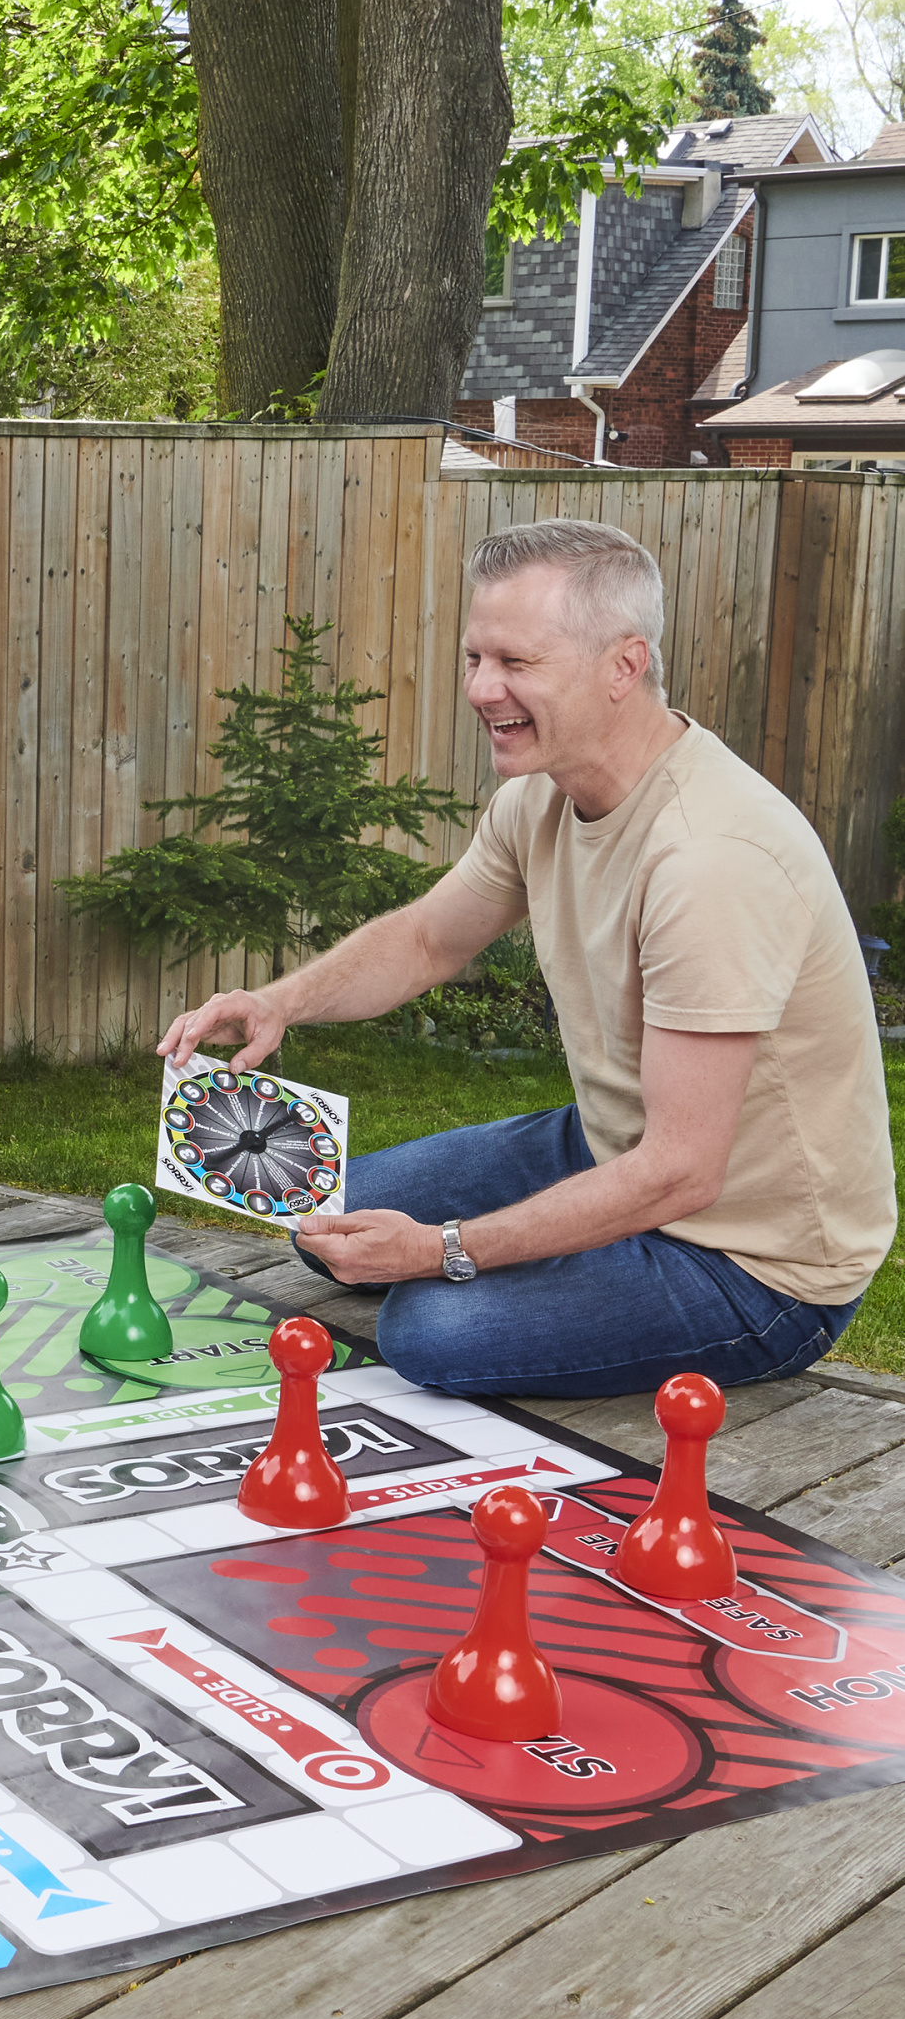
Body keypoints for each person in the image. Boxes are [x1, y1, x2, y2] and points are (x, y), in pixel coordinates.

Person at [159, 517, 895, 1401]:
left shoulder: (712, 859)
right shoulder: (542, 795)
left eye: (516, 662)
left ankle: (572, 1267)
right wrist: (282, 1001)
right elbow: (430, 937)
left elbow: (682, 1170)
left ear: (625, 666)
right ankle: (570, 1252)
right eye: (476, 657)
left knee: (429, 1328)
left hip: (756, 1263)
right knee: (319, 1217)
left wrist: (442, 1251)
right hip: (611, 1146)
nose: (481, 687)